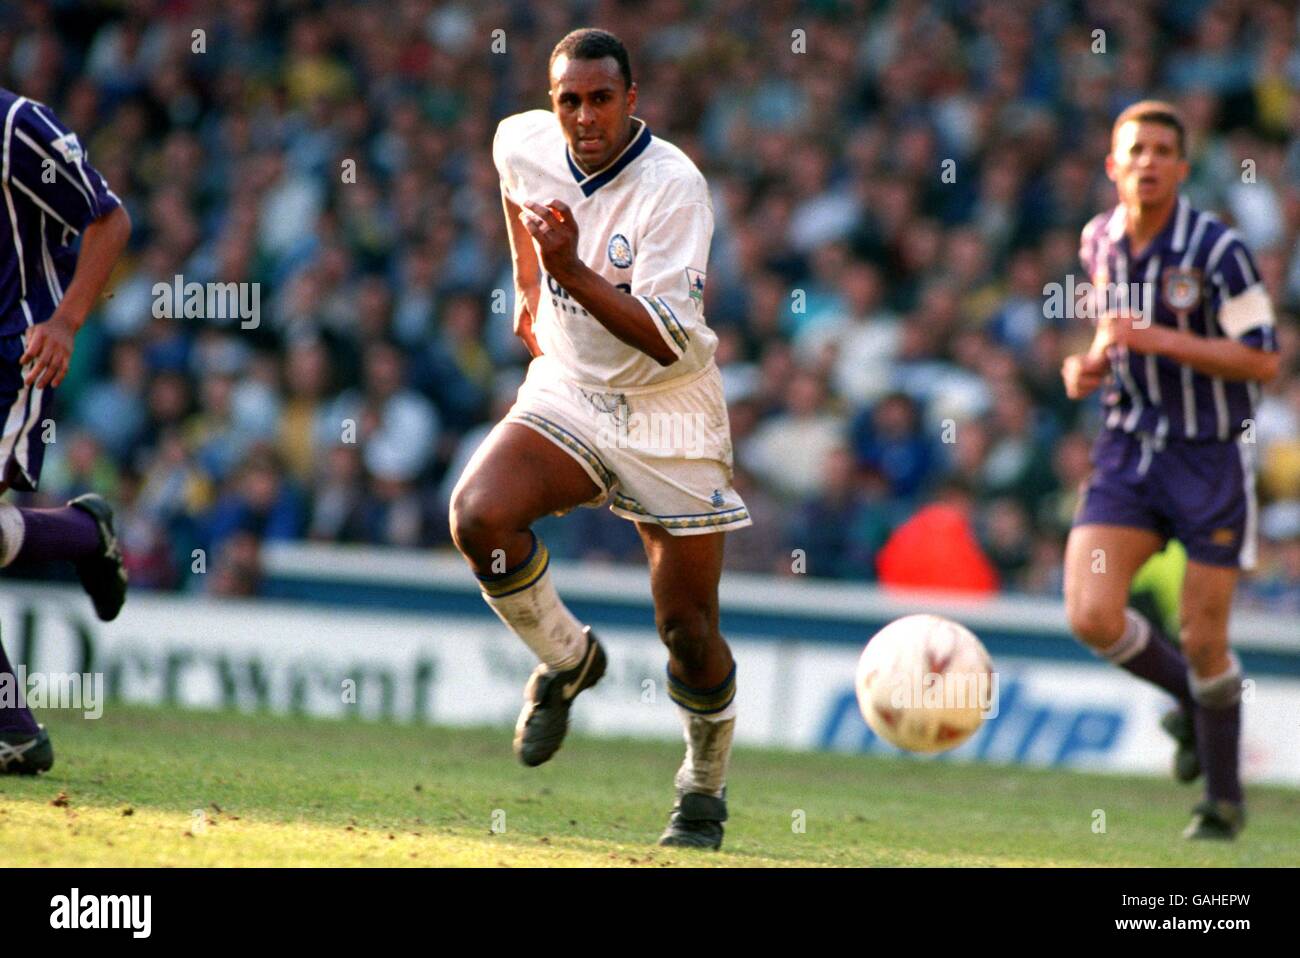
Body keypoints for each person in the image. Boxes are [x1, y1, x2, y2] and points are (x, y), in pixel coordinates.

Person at [449, 29, 749, 849]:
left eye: (600, 99)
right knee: (479, 515)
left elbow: (661, 337)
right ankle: (567, 659)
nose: (583, 116)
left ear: (632, 100)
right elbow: (517, 187)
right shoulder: (524, 138)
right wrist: (526, 283)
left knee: (686, 627)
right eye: (569, 99)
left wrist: (570, 273)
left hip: (669, 407)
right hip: (574, 388)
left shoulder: (674, 188)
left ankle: (702, 787)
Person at [1061, 101, 1280, 840]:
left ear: (1182, 169)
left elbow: (1263, 357)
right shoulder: (1099, 241)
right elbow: (1111, 330)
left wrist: (1155, 339)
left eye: (1163, 151)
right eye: (1137, 150)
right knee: (1091, 612)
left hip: (1211, 453)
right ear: (1113, 165)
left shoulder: (1218, 250)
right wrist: (1089, 365)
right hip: (1129, 446)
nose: (1149, 162)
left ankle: (1221, 805)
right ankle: (1196, 706)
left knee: (1203, 638)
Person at [0, 88, 132, 775]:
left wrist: (67, 322)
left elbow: (110, 220)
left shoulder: (19, 126)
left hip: (13, 356)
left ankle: (15, 729)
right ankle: (85, 533)